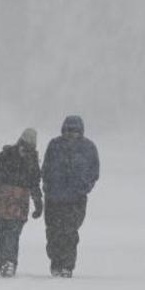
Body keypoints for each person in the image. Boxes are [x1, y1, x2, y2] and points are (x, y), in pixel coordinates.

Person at [0, 128, 43, 278]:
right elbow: (34, 183)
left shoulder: (6, 155)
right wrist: (38, 201)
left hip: (3, 201)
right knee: (10, 234)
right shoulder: (30, 159)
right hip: (17, 204)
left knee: (7, 233)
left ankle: (5, 263)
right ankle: (6, 263)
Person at [40, 115, 99, 278]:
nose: (71, 134)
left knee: (70, 233)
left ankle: (67, 266)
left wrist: (84, 187)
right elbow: (45, 167)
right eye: (68, 130)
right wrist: (47, 186)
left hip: (75, 200)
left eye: (75, 131)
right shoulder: (54, 145)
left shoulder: (88, 148)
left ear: (81, 131)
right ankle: (55, 262)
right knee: (53, 233)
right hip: (54, 198)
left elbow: (94, 171)